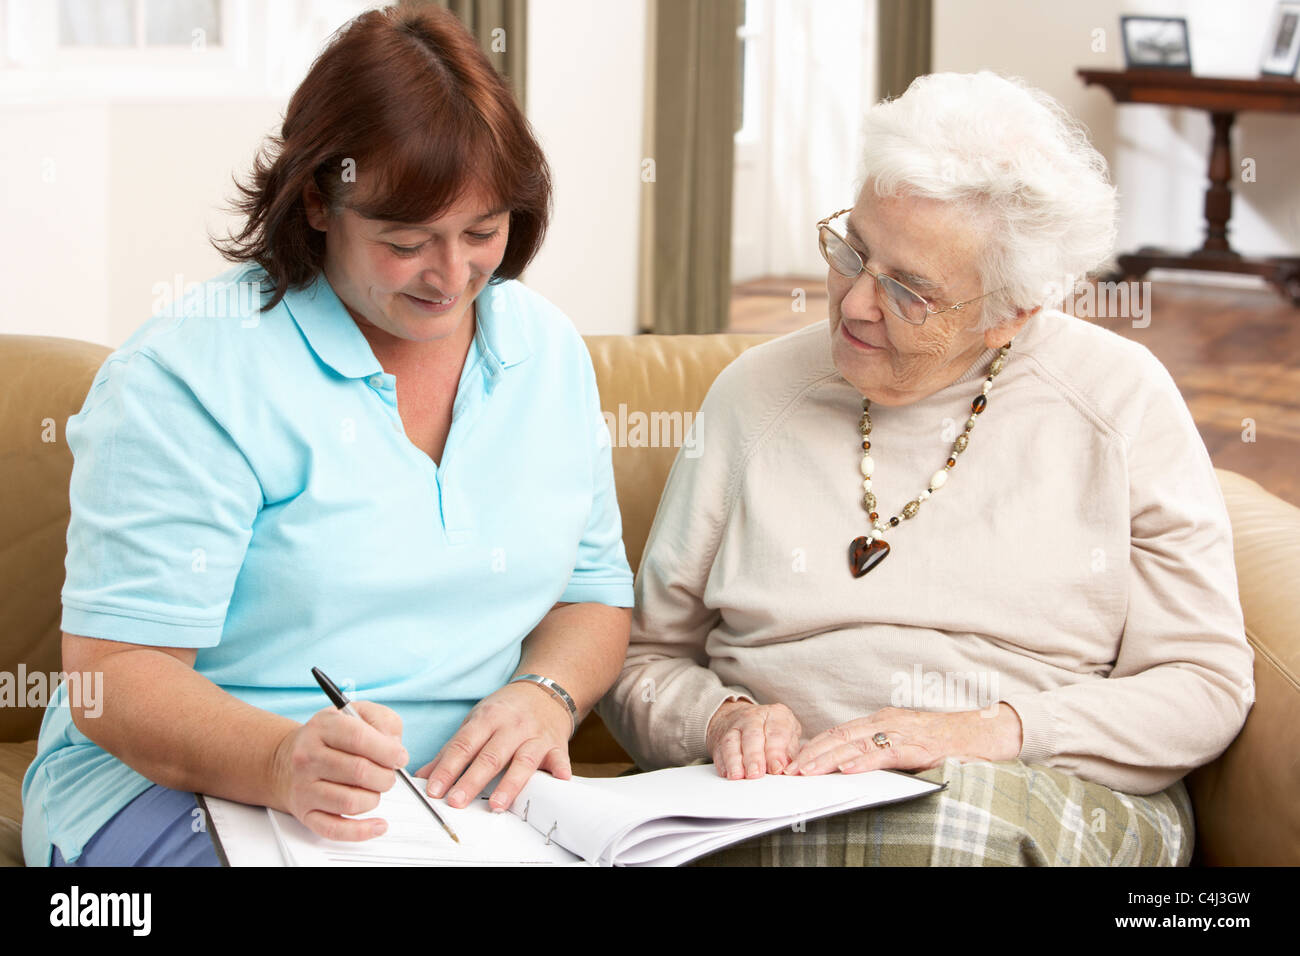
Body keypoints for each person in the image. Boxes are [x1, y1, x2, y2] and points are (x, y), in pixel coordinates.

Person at [22, 3, 633, 867]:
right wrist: (279, 759)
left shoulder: (547, 354)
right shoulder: (191, 375)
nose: (452, 277)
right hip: (179, 795)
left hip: (457, 810)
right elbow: (114, 676)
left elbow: (593, 596)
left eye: (482, 233)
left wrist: (545, 694)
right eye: (407, 241)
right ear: (316, 199)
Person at [597, 71, 1254, 866]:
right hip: (770, 797)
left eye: (909, 290)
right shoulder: (755, 395)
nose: (852, 305)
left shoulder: (1118, 403)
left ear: (1013, 312)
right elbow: (644, 658)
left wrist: (988, 733)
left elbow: (1203, 683)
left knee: (940, 843)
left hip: (1032, 785)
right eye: (854, 251)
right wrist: (721, 718)